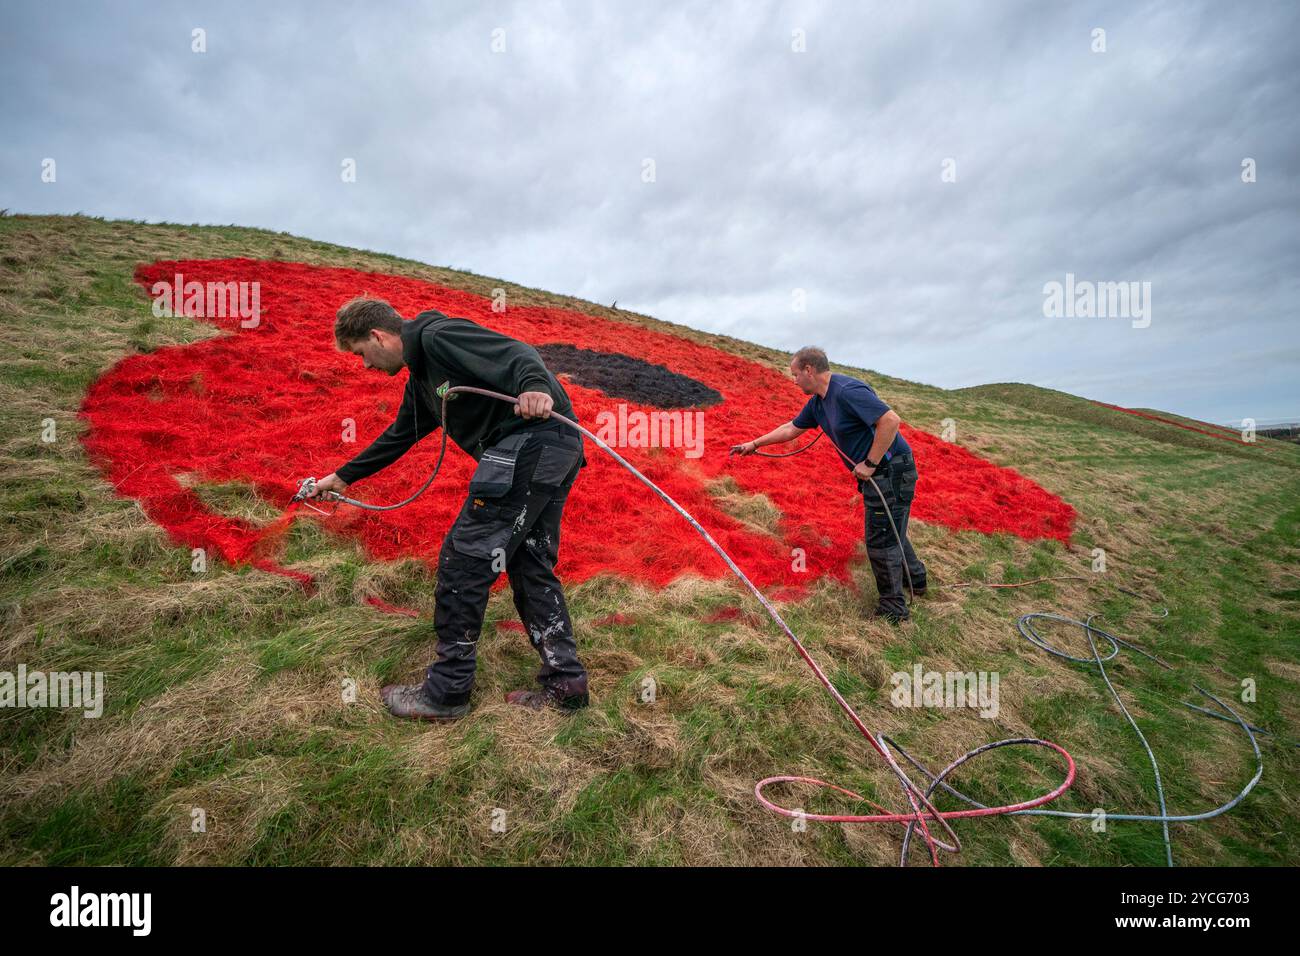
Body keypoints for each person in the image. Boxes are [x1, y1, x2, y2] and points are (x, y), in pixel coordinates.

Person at [308, 297, 590, 719]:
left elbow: (518, 354)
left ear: (377, 336)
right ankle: (566, 685)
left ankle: (446, 692)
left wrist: (534, 387)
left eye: (360, 354)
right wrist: (344, 476)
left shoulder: (438, 337)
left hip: (531, 443)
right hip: (554, 451)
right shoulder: (421, 380)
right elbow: (400, 435)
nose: (364, 365)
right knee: (530, 564)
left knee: (465, 560)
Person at [731, 346, 927, 623]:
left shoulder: (847, 391)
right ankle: (916, 581)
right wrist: (754, 444)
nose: (794, 380)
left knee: (880, 541)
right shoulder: (818, 403)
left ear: (810, 370)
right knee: (891, 529)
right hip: (880, 474)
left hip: (891, 471)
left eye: (796, 374)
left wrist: (870, 463)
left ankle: (894, 610)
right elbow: (791, 428)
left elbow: (890, 421)